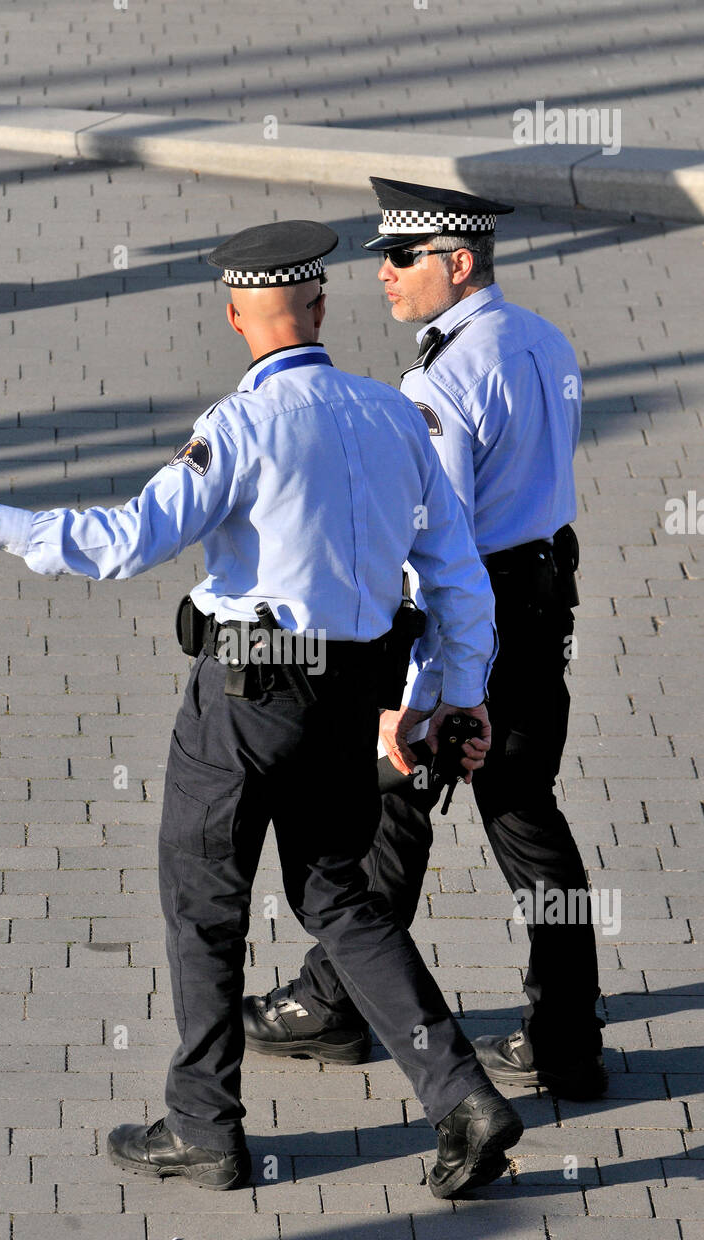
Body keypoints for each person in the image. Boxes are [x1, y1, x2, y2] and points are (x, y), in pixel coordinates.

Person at [0, 218, 523, 1198]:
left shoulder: (235, 428)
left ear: (236, 314)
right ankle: (463, 1100)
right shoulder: (393, 417)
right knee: (336, 894)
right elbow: (453, 578)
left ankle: (204, 1128)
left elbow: (121, 541)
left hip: (243, 701)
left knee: (202, 904)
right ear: (318, 307)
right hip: (351, 692)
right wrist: (454, 699)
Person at [244, 181, 606, 1102]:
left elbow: (433, 540)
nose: (384, 274)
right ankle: (563, 1036)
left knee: (396, 804)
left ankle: (339, 1007)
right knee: (519, 821)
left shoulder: (440, 379)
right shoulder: (543, 340)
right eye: (381, 256)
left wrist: (418, 685)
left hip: (470, 626)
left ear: (457, 262)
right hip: (540, 608)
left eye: (401, 258)